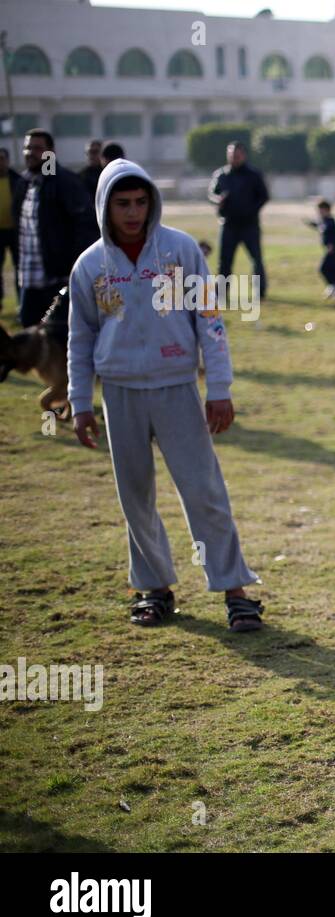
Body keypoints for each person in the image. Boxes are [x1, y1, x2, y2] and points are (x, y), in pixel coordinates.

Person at [67, 159, 265, 633]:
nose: (133, 213)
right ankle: (154, 588)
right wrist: (78, 402)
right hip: (119, 392)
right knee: (135, 496)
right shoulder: (90, 264)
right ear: (105, 207)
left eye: (140, 202)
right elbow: (80, 337)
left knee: (204, 491)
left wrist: (219, 388)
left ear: (152, 202)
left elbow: (210, 322)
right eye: (122, 204)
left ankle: (235, 591)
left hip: (177, 387)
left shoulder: (179, 252)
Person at [13, 129, 98, 327]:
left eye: (37, 148)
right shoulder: (24, 183)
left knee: (58, 335)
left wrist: (72, 268)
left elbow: (85, 227)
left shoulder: (64, 181)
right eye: (27, 148)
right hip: (29, 278)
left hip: (57, 279)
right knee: (30, 333)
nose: (30, 153)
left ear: (50, 153)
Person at [208, 141, 269, 299]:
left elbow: (264, 196)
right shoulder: (221, 175)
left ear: (243, 155)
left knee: (256, 260)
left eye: (236, 156)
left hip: (249, 225)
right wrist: (218, 200)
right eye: (231, 156)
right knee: (224, 262)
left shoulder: (254, 175)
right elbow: (211, 194)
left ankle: (260, 291)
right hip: (228, 224)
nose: (233, 158)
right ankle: (221, 293)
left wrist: (251, 210)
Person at [305, 199, 335, 298]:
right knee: (331, 270)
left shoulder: (331, 221)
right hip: (328, 250)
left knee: (324, 269)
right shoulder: (323, 221)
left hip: (333, 251)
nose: (319, 212)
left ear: (327, 210)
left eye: (321, 210)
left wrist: (332, 245)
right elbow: (319, 226)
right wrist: (310, 223)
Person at [0, 148, 21, 312]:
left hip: (15, 232)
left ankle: (21, 301)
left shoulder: (18, 180)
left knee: (19, 268)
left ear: (7, 160)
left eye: (2, 159)